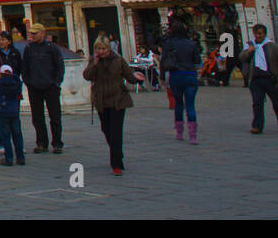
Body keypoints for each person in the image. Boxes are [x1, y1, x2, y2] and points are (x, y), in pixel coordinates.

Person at [83, 35, 144, 175]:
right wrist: (94, 63)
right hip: (101, 100)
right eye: (98, 49)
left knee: (115, 132)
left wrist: (136, 78)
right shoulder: (94, 61)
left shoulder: (118, 60)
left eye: (103, 49)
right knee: (106, 130)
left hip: (118, 99)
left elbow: (129, 75)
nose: (101, 51)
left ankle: (116, 164)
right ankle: (117, 152)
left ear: (109, 49)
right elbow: (87, 76)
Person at [21, 22, 65, 153]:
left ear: (42, 33)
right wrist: (28, 82)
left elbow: (59, 67)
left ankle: (57, 143)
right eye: (31, 33)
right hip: (34, 87)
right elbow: (25, 67)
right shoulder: (29, 48)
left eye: (35, 33)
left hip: (50, 86)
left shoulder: (52, 48)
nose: (32, 35)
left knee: (55, 116)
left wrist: (56, 83)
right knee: (37, 117)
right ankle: (41, 143)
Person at [159, 20, 202, 143]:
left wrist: (162, 76)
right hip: (189, 75)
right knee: (190, 105)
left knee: (178, 103)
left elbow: (163, 61)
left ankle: (179, 132)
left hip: (176, 76)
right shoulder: (191, 44)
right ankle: (193, 135)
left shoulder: (169, 44)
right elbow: (197, 60)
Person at [238, 23, 278, 135]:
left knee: (276, 103)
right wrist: (249, 51)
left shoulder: (271, 46)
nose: (258, 36)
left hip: (270, 79)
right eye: (256, 34)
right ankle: (257, 126)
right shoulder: (250, 45)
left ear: (264, 34)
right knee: (257, 104)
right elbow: (241, 57)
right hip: (255, 80)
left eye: (260, 34)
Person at [0, 64, 25, 166]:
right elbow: (19, 81)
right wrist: (13, 76)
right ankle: (20, 158)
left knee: (5, 136)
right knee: (17, 135)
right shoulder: (17, 83)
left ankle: (9, 158)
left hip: (2, 112)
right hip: (14, 112)